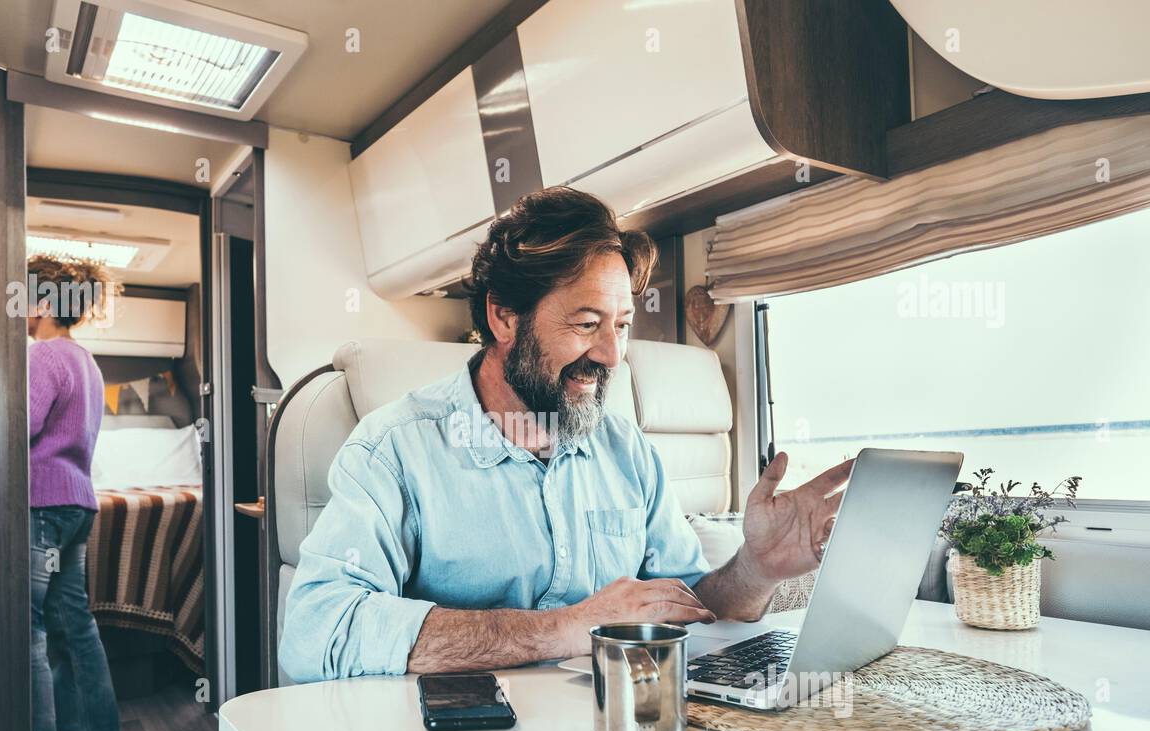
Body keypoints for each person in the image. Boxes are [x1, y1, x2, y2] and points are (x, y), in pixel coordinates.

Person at [280, 187, 851, 683]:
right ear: (504, 317)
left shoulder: (627, 452)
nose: (611, 355)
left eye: (622, 326)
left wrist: (757, 567)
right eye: (585, 325)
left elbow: (687, 605)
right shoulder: (393, 451)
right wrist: (564, 629)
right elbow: (318, 630)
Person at [27, 254, 121, 731]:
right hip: (78, 505)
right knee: (74, 625)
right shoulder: (87, 361)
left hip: (40, 506)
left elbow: (23, 426)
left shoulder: (42, 356)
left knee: (31, 634)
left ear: (41, 303)